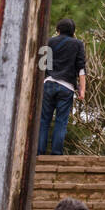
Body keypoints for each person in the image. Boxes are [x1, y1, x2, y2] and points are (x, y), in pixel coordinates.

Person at [38, 18, 86, 156]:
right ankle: (56, 154)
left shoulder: (47, 41)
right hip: (66, 87)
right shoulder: (78, 44)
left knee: (44, 120)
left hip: (48, 84)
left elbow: (41, 67)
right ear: (73, 31)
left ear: (58, 30)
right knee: (61, 121)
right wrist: (82, 90)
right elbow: (81, 70)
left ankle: (40, 153)